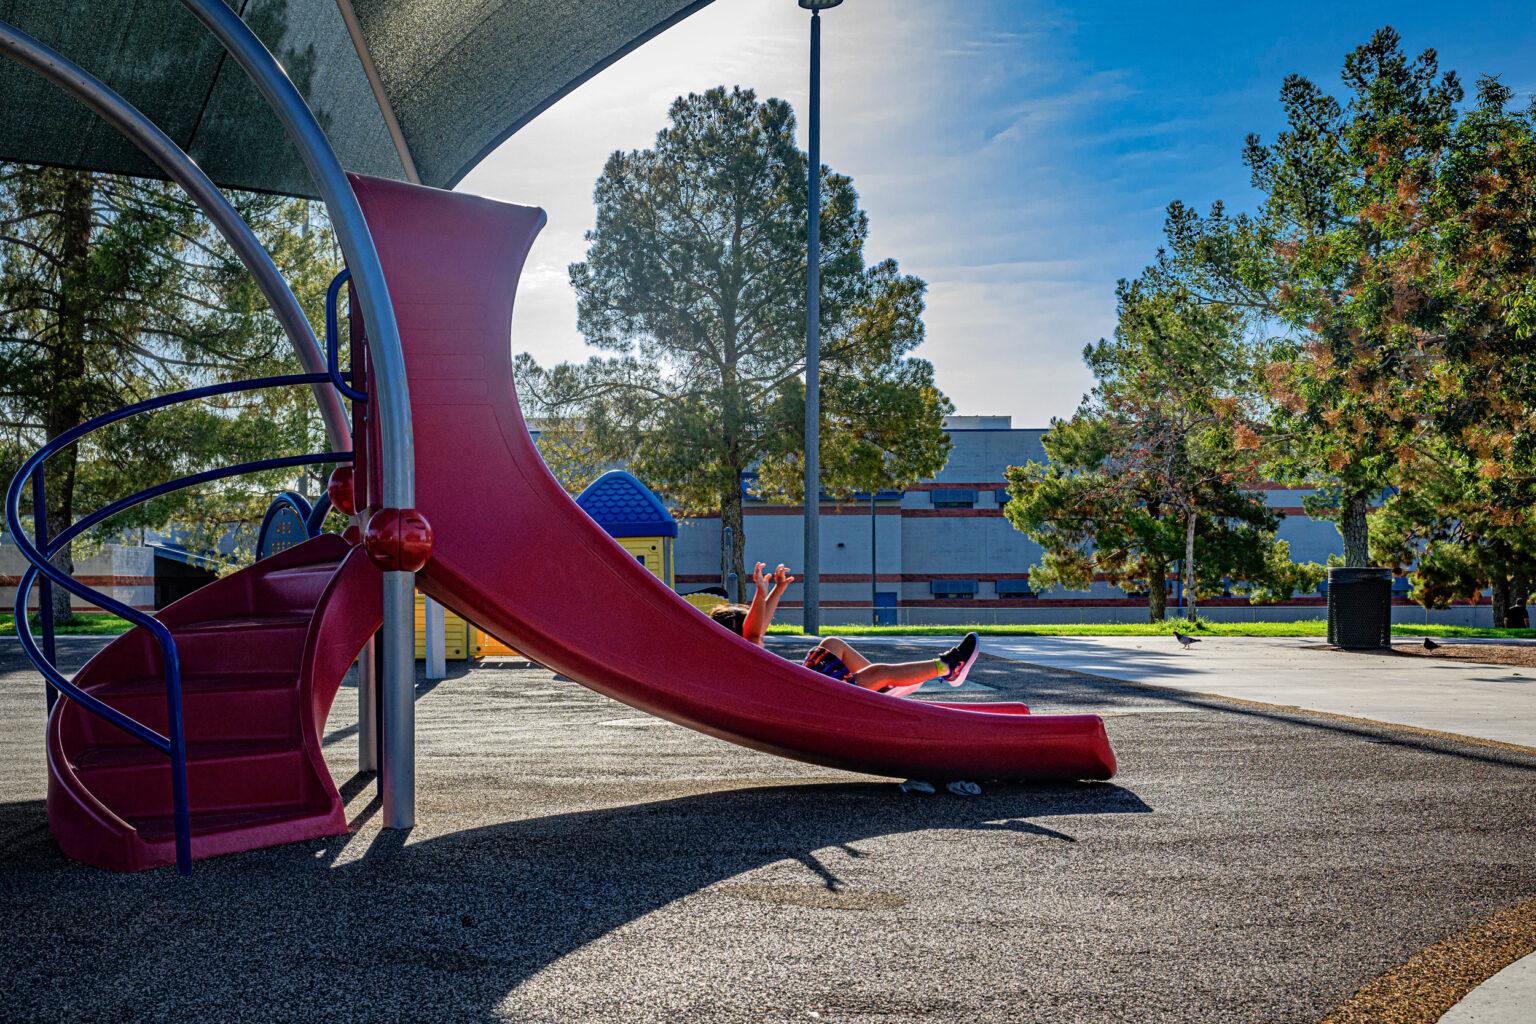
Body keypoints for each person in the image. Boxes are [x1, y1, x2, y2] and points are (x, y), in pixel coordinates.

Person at [709, 562, 981, 695]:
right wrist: (760, 591)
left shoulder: (748, 649)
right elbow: (753, 632)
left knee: (832, 644)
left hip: (804, 690)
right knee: (879, 672)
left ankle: (881, 692)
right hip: (809, 699)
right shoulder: (746, 649)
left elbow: (756, 629)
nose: (763, 630)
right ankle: (948, 667)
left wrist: (778, 590)